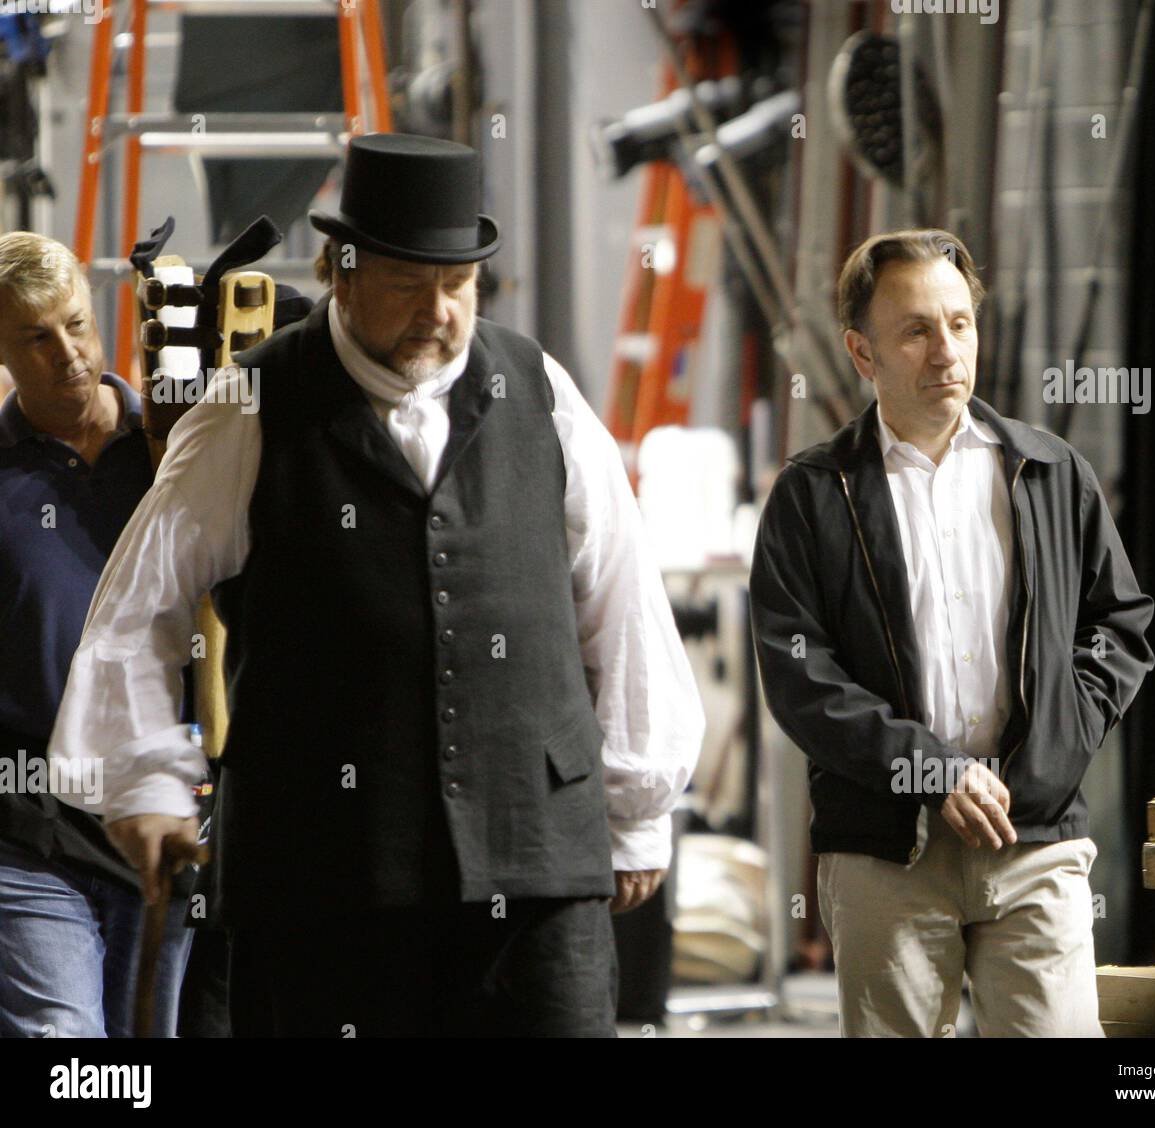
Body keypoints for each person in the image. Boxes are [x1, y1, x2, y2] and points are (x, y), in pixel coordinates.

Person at [49, 133, 704, 1037]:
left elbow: (622, 605)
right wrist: (150, 784)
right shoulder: (252, 406)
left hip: (537, 866)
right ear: (342, 275)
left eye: (458, 285)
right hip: (325, 884)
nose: (438, 311)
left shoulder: (537, 388)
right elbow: (134, 614)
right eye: (409, 283)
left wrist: (637, 810)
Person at [749, 228, 1155, 1037]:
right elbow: (801, 677)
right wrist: (930, 773)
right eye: (916, 331)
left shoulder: (1047, 472)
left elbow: (1117, 625)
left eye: (960, 324)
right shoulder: (813, 495)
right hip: (886, 852)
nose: (946, 352)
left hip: (1033, 842)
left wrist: (1050, 753)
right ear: (863, 355)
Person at [0, 231, 193, 1037]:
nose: (68, 353)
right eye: (36, 338)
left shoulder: (179, 451)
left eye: (75, 324)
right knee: (65, 1050)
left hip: (166, 816)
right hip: (29, 831)